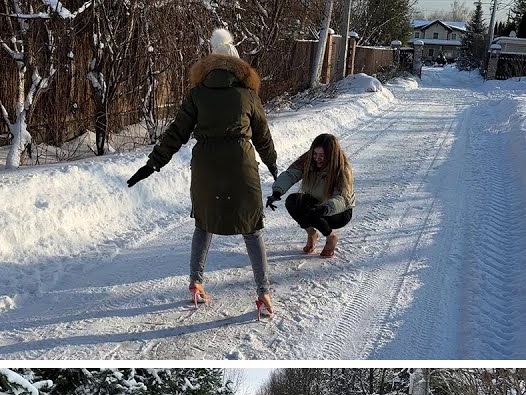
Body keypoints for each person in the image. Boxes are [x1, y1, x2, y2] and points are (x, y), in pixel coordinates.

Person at [126, 28, 280, 320]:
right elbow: (263, 138)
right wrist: (273, 166)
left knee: (204, 224)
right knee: (252, 229)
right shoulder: (247, 95)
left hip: (206, 168)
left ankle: (196, 283)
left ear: (209, 65)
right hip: (241, 167)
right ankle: (263, 294)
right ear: (238, 66)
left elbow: (176, 133)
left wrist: (153, 163)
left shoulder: (197, 94)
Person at [267, 134, 357, 258]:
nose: (317, 159)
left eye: (322, 156)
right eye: (315, 154)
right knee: (293, 201)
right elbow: (291, 174)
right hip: (316, 204)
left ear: (331, 155)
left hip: (338, 212)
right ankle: (311, 233)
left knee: (313, 211)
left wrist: (326, 208)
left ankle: (331, 237)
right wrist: (277, 191)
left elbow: (343, 198)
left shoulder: (342, 169)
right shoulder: (308, 161)